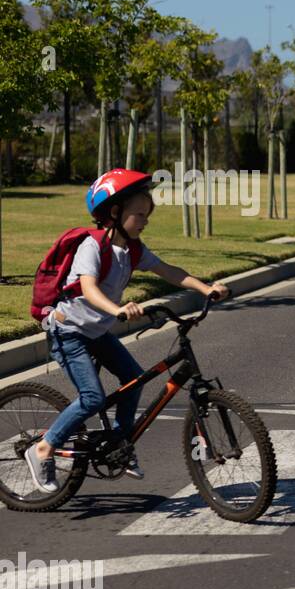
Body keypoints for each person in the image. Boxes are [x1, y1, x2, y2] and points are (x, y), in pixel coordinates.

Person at [25, 169, 230, 493]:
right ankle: (43, 450)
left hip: (96, 331)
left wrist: (206, 289)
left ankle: (120, 446)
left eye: (147, 214)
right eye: (139, 214)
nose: (145, 221)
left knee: (133, 381)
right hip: (69, 332)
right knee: (92, 397)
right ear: (115, 213)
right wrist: (118, 309)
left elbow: (169, 272)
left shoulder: (133, 249)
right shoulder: (92, 247)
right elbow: (89, 288)